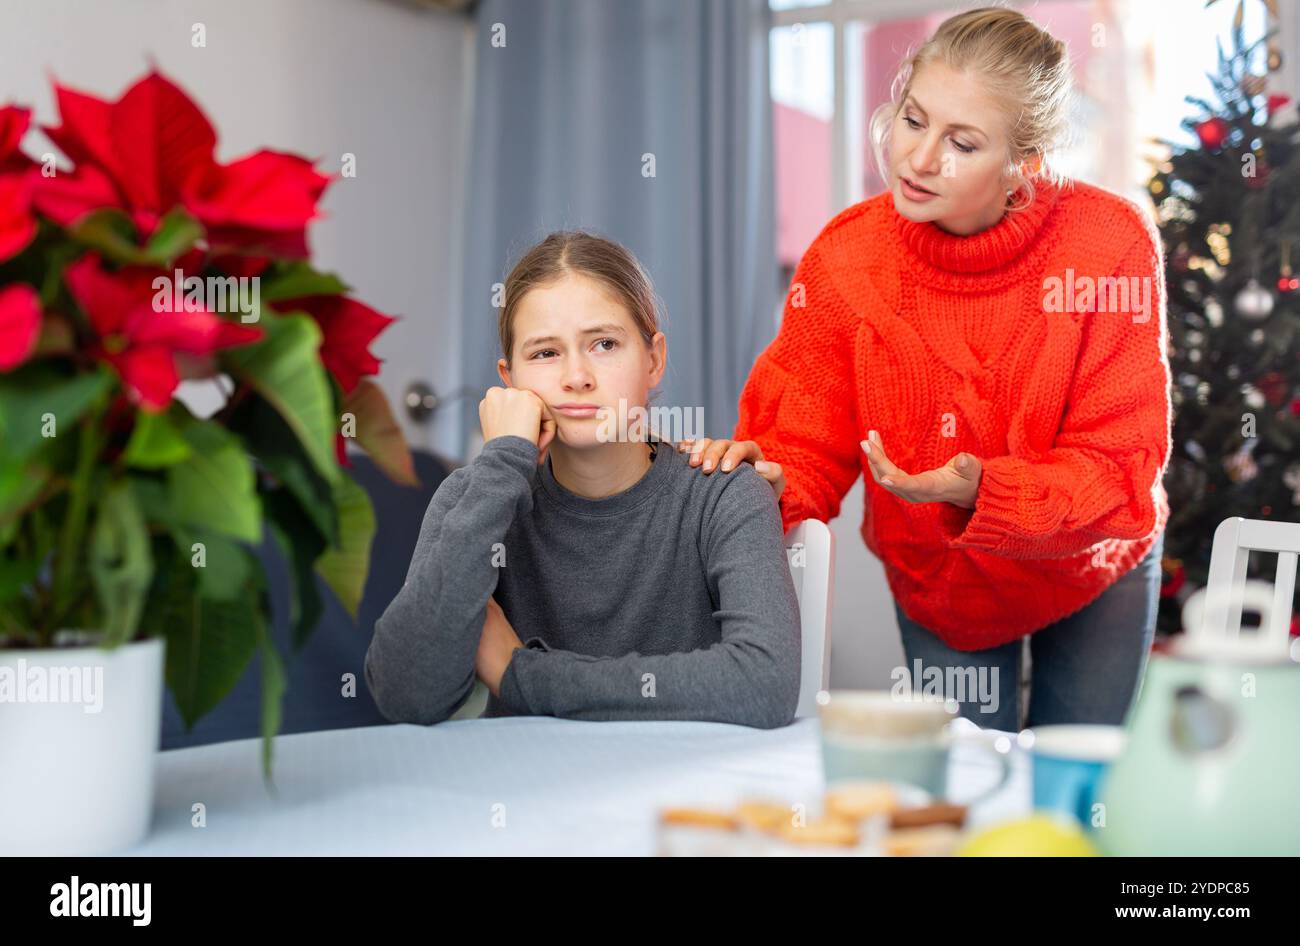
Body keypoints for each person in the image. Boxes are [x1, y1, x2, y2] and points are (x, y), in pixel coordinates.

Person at [684, 8, 1170, 732]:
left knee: (1079, 800)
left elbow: (1120, 469)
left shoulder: (1109, 245)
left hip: (1090, 564)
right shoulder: (847, 261)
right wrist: (763, 483)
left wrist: (983, 489)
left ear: (1024, 165)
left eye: (962, 143)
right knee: (965, 798)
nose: (918, 159)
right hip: (944, 581)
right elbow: (803, 450)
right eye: (914, 120)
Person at [366, 230, 801, 728]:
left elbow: (765, 684)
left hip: (676, 790)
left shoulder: (723, 493)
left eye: (604, 344)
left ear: (654, 359)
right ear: (509, 380)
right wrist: (502, 463)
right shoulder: (478, 496)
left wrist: (520, 675)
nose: (577, 376)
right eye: (545, 353)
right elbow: (406, 694)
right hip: (519, 792)